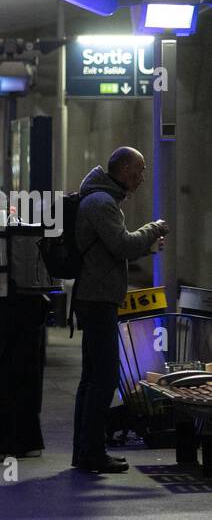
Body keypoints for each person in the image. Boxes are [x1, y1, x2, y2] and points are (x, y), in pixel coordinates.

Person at [71, 147, 168, 474]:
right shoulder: (101, 203)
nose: (142, 177)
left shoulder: (101, 200)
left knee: (92, 378)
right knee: (105, 377)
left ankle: (84, 451)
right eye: (139, 170)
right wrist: (153, 228)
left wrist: (145, 244)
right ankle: (92, 453)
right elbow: (122, 244)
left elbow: (115, 249)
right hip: (97, 300)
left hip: (96, 297)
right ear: (125, 169)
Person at [0, 169, 53, 462]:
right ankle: (30, 442)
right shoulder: (17, 218)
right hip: (29, 310)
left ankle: (0, 446)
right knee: (26, 375)